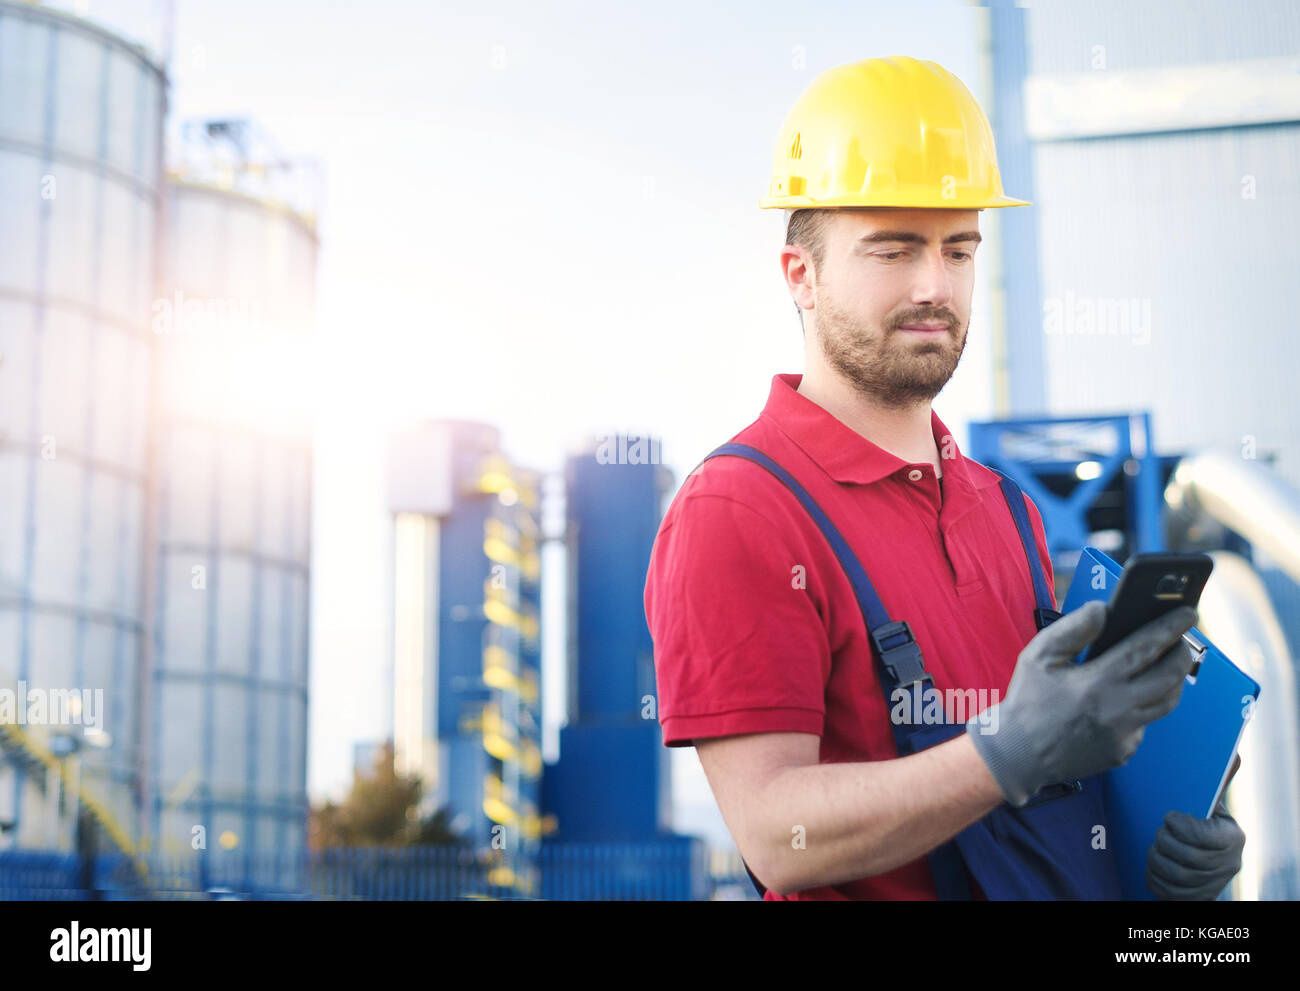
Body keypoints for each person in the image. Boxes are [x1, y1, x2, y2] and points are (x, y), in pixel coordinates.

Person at [642, 56, 1244, 900]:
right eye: (894, 249)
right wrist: (1004, 752)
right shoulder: (739, 510)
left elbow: (1047, 789)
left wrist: (1154, 844)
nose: (934, 285)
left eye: (958, 249)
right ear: (800, 277)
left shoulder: (1003, 505)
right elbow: (778, 832)